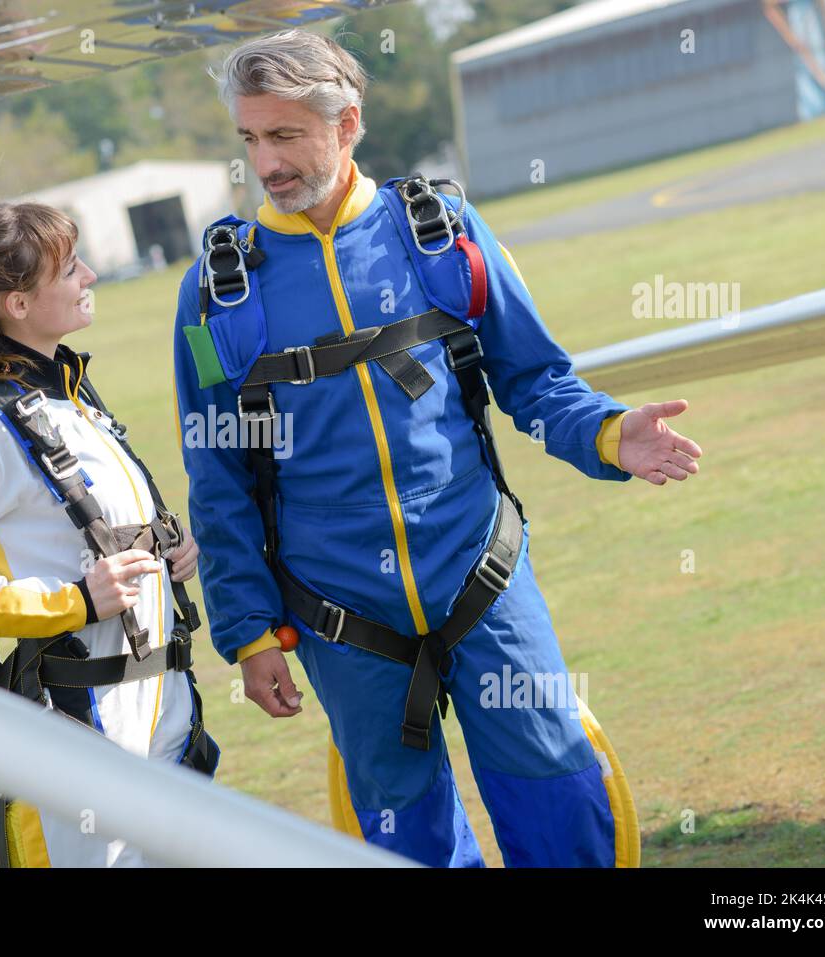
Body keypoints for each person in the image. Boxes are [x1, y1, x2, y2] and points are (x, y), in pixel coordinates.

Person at [173, 29, 702, 867]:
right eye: (249, 138)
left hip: (480, 573)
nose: (264, 162)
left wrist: (607, 431)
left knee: (559, 792)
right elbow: (217, 469)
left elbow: (534, 379)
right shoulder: (212, 295)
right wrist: (247, 632)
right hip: (336, 612)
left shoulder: (439, 231)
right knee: (401, 833)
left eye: (284, 135)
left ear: (347, 123)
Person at [0, 201, 215, 867]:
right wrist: (74, 600)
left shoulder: (71, 393)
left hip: (160, 712)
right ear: (16, 303)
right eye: (70, 269)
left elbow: (85, 530)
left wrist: (165, 549)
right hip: (77, 735)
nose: (90, 275)